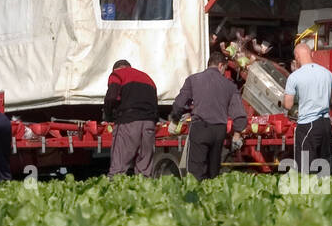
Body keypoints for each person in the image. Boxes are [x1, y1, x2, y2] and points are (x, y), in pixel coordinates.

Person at [171, 50, 248, 180]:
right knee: (213, 171)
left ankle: (195, 196)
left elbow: (179, 104)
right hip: (219, 130)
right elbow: (239, 114)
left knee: (195, 171)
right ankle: (210, 196)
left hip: (200, 128)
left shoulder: (193, 79)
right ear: (220, 66)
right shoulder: (230, 85)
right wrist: (237, 134)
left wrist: (175, 119)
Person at [283, 41, 332, 174]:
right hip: (326, 124)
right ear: (311, 54)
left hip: (308, 124)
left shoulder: (294, 77)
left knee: (305, 168)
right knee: (325, 167)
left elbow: (288, 104)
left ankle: (307, 193)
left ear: (297, 57)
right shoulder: (327, 73)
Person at [103, 59, 158, 177]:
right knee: (144, 170)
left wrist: (108, 116)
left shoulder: (117, 74)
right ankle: (145, 192)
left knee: (118, 168)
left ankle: (114, 191)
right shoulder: (148, 78)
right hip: (149, 124)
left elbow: (111, 97)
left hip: (128, 122)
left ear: (116, 69)